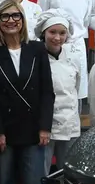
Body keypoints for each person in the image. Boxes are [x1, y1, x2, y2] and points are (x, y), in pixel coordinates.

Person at [0, 0, 54, 184]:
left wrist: (44, 127)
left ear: (23, 19)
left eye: (16, 15)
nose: (10, 20)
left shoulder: (37, 50)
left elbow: (47, 92)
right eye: (5, 16)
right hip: (4, 131)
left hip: (33, 130)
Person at [38, 0, 94, 101]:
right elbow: (41, 21)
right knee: (56, 87)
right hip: (55, 47)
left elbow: (87, 20)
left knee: (78, 90)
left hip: (78, 46)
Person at [34, 9, 81, 174]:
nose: (57, 37)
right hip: (46, 125)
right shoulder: (35, 57)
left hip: (70, 123)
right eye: (52, 32)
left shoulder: (74, 57)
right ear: (43, 32)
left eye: (62, 33)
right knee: (42, 172)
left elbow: (76, 88)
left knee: (68, 172)